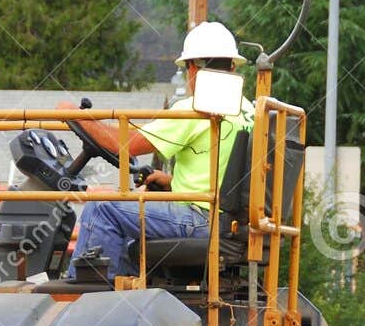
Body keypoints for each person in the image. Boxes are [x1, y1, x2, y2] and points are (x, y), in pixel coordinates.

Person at [64, 21, 253, 281]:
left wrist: (78, 117)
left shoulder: (196, 110)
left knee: (102, 207)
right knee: (126, 226)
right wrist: (173, 183)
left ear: (193, 68)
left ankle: (79, 297)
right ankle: (127, 292)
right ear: (232, 66)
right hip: (229, 222)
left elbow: (125, 145)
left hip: (200, 220)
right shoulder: (250, 112)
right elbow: (230, 174)